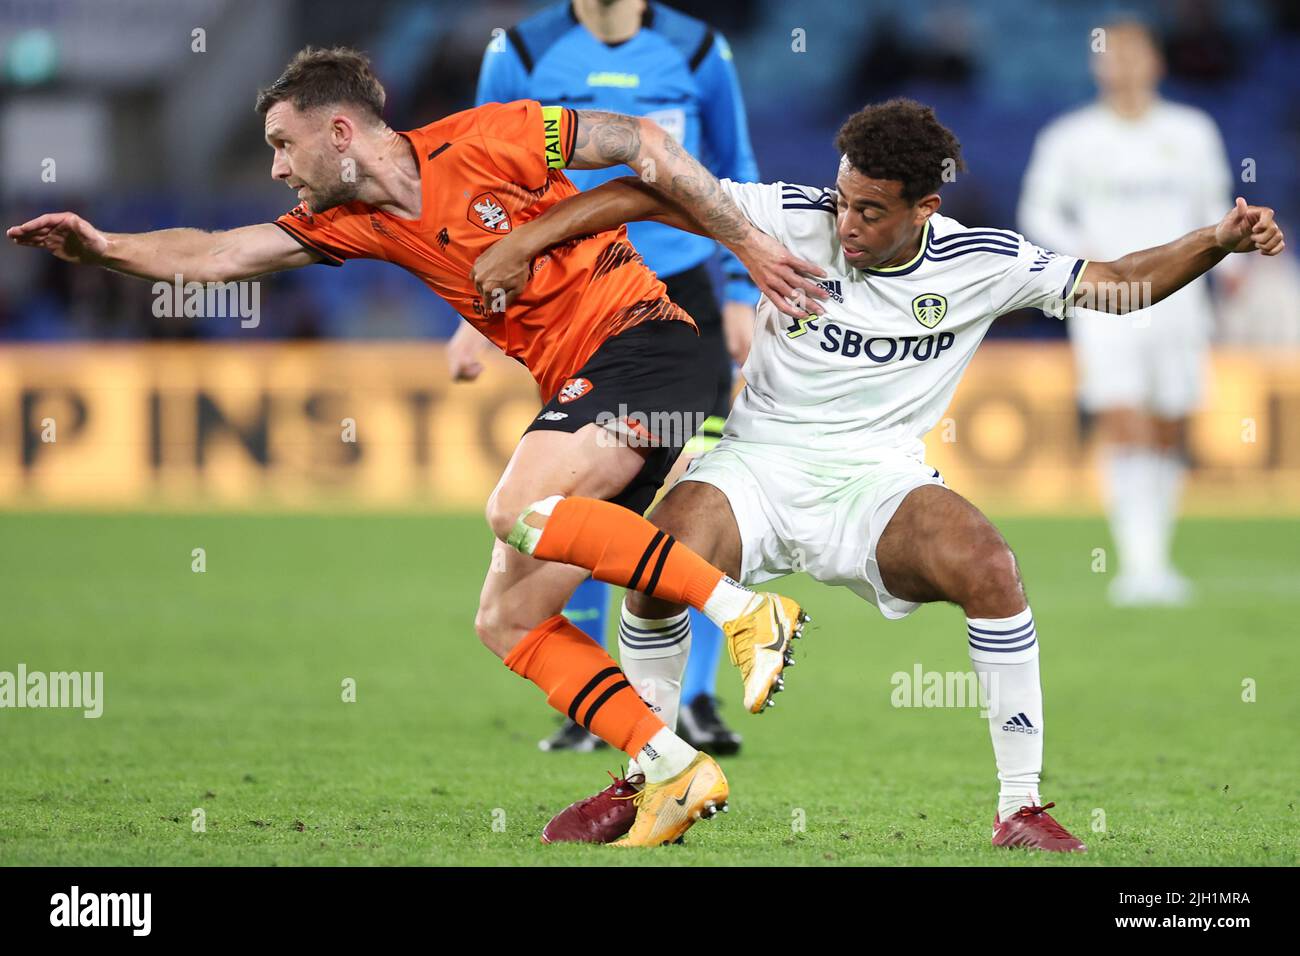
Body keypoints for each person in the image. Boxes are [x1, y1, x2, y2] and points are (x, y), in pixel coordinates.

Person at [6, 46, 826, 848]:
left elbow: (643, 148)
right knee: (508, 618)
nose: (277, 169)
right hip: (595, 384)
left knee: (515, 509)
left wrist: (745, 245)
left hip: (648, 346)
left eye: (282, 145)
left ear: (339, 132)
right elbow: (223, 252)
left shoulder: (489, 137)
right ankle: (668, 765)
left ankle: (746, 612)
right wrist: (107, 248)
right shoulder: (355, 223)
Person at [468, 97, 1284, 848]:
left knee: (990, 566)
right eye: (843, 199)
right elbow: (648, 192)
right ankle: (649, 778)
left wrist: (1214, 240)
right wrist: (524, 240)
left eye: (870, 209)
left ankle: (1020, 807)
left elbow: (1113, 285)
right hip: (757, 462)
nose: (846, 223)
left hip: (876, 481)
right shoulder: (792, 214)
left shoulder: (983, 262)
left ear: (926, 207)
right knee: (661, 562)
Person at [453, 0, 761, 755]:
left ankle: (694, 701)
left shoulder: (697, 50)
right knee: (577, 499)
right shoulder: (520, 49)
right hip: (578, 303)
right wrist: (472, 311)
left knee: (694, 491)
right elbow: (477, 181)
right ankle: (595, 705)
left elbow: (736, 168)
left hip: (682, 298)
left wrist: (742, 286)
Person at [1018, 19, 1238, 605]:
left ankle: (1157, 558)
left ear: (1155, 63)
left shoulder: (1191, 132)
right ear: (1098, 66)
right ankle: (1137, 565)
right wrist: (1085, 259)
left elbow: (1215, 208)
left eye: (1133, 55)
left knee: (1169, 422)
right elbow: (1038, 212)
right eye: (1111, 56)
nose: (1122, 66)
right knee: (1123, 417)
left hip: (1182, 298)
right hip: (1107, 298)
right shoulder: (1070, 137)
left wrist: (1231, 264)